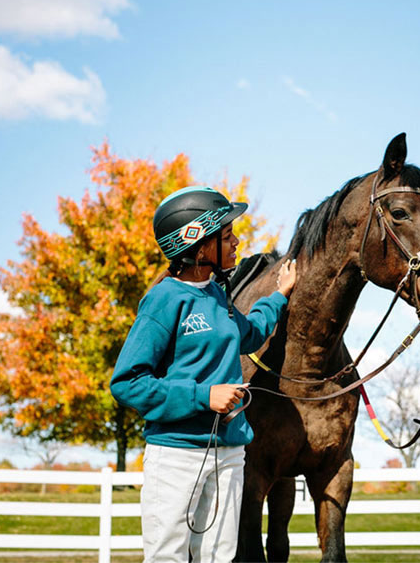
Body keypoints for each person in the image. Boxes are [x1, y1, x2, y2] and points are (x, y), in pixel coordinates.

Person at [110, 186, 296, 563]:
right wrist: (203, 397)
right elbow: (127, 382)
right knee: (169, 557)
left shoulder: (217, 295)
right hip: (177, 454)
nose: (236, 242)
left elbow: (250, 334)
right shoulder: (164, 301)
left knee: (219, 557)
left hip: (229, 453)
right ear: (198, 246)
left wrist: (279, 296)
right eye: (227, 236)